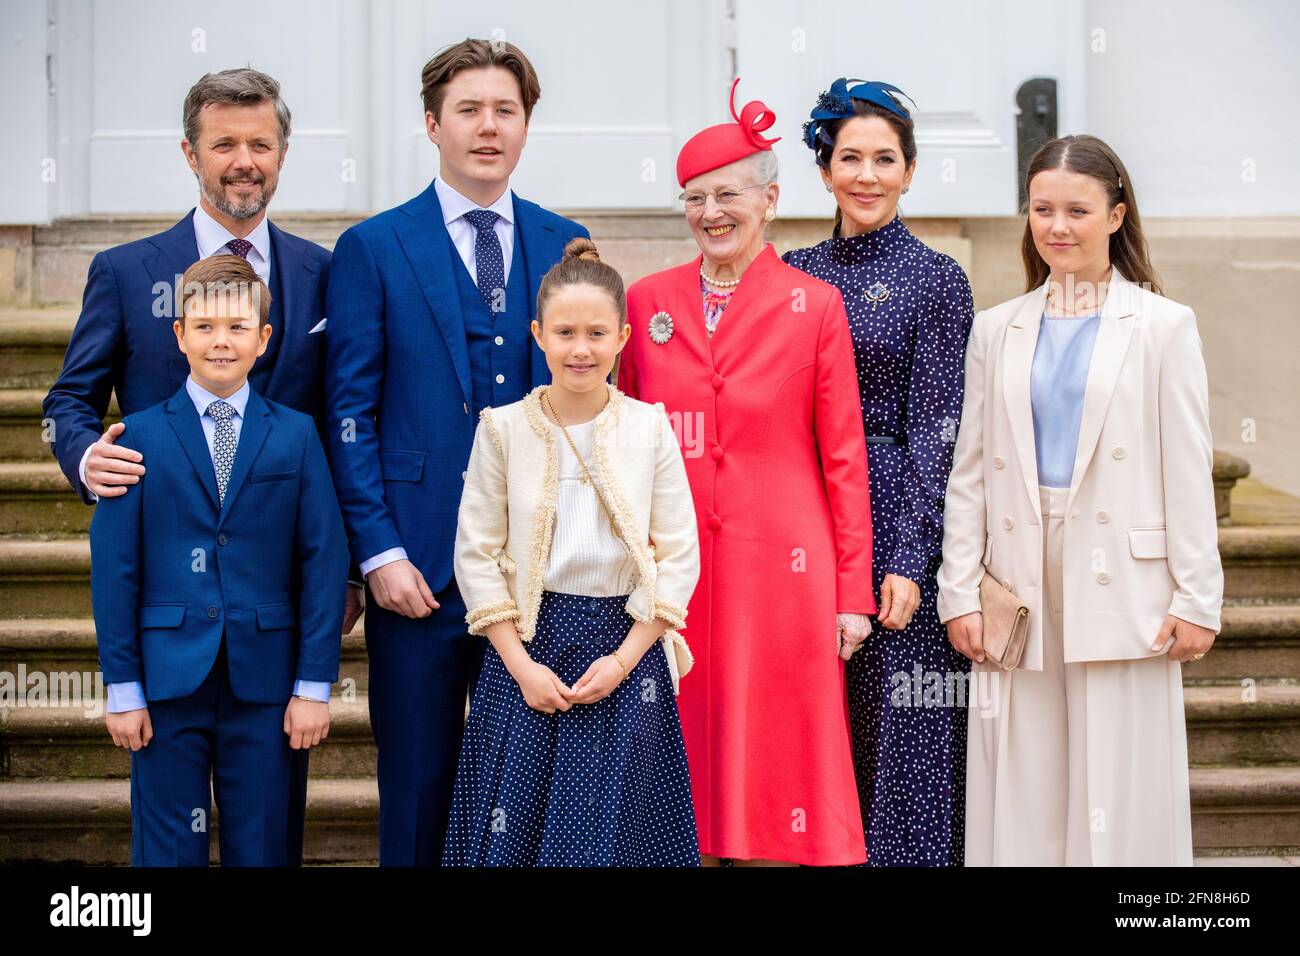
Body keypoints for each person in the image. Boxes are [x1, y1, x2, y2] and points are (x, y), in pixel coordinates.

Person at [324, 38, 589, 865]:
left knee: (533, 786)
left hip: (542, 573)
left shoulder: (566, 241)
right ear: (432, 123)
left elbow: (592, 407)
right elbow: (349, 413)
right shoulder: (373, 247)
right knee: (417, 783)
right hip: (418, 575)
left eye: (504, 111)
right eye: (468, 110)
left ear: (525, 127)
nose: (487, 127)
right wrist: (377, 552)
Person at [937, 134, 1223, 866]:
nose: (1057, 227)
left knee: (1119, 767)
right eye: (1041, 209)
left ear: (1117, 215)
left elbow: (1185, 467)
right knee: (1025, 765)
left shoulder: (1163, 326)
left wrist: (1198, 596)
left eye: (1077, 210)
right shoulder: (996, 329)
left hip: (1123, 572)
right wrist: (958, 590)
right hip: (1017, 569)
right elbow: (969, 468)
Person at [618, 79, 875, 866]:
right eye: (694, 199)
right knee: (681, 733)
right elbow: (621, 444)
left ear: (768, 199)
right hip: (674, 567)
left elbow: (844, 456)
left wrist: (851, 591)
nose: (711, 214)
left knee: (777, 745)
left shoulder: (816, 305)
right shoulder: (647, 301)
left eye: (727, 195)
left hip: (783, 567)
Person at [41, 67, 362, 639]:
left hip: (290, 575)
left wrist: (350, 568)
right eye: (224, 144)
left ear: (282, 154)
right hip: (171, 574)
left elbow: (347, 417)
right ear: (191, 154)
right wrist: (87, 459)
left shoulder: (327, 272)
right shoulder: (125, 273)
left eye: (260, 144)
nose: (245, 161)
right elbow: (69, 400)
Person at [444, 238, 701, 866]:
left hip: (625, 650)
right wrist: (520, 666)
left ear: (623, 337)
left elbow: (678, 554)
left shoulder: (649, 427)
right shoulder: (502, 430)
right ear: (537, 334)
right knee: (518, 829)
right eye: (564, 332)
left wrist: (623, 661)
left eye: (596, 333)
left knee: (616, 834)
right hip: (531, 650)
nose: (580, 349)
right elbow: (476, 553)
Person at [89, 255, 349, 866]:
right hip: (166, 680)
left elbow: (322, 560)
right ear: (179, 335)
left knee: (261, 843)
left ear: (264, 338)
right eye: (203, 327)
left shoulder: (296, 434)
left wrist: (314, 684)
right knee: (167, 849)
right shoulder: (137, 439)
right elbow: (115, 568)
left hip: (266, 682)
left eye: (237, 327)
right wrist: (122, 686)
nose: (220, 341)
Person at [783, 78, 975, 866]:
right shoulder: (790, 274)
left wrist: (908, 560)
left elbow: (940, 433)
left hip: (899, 513)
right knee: (816, 732)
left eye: (884, 159)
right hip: (805, 517)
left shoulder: (937, 280)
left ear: (910, 171)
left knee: (904, 736)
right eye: (849, 157)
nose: (866, 175)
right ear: (824, 170)